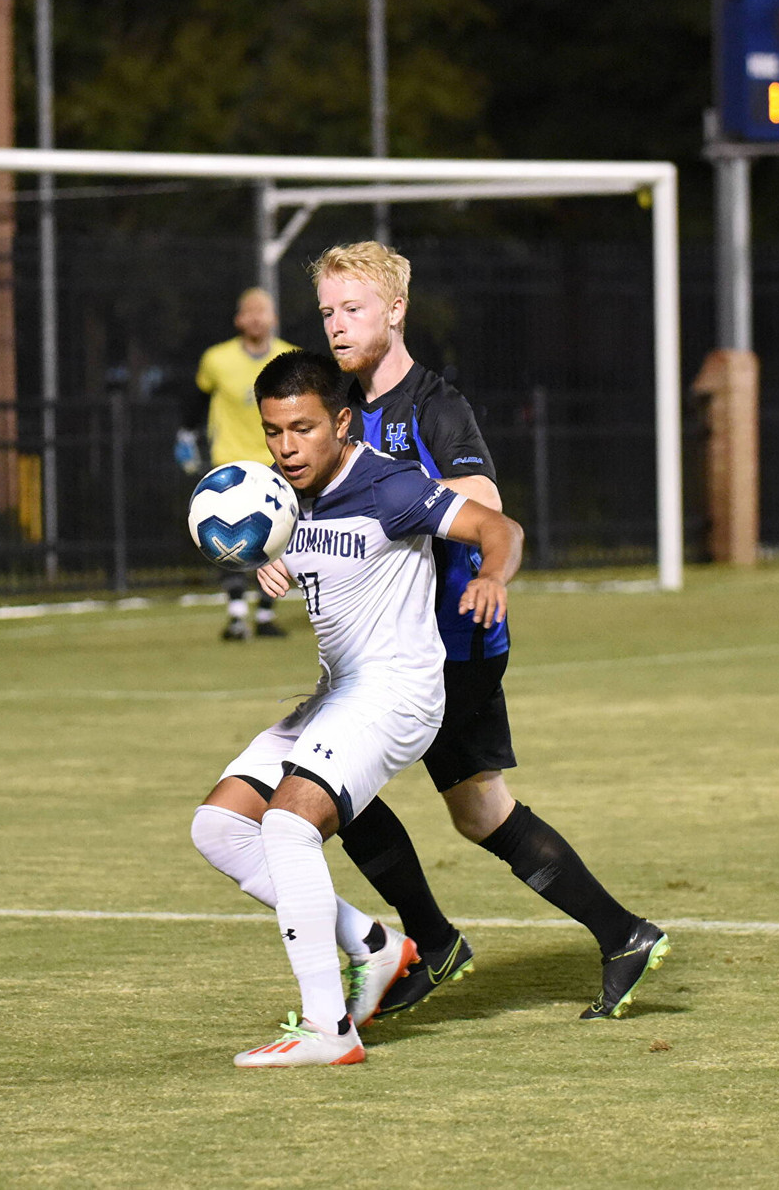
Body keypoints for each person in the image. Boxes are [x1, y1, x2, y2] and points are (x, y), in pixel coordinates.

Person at [260, 241, 667, 1022]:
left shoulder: (433, 406)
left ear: (396, 310)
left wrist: (469, 559)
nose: (338, 327)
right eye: (327, 312)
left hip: (450, 643)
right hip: (394, 649)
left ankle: (439, 943)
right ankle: (619, 934)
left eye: (354, 309)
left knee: (325, 786)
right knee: (478, 809)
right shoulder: (339, 403)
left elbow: (481, 502)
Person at [191, 350, 525, 1067]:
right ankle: (374, 944)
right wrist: (265, 558)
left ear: (341, 421)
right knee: (218, 826)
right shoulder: (280, 494)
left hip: (399, 691)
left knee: (287, 824)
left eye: (303, 429)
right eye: (274, 431)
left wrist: (493, 574)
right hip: (338, 692)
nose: (286, 447)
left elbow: (501, 528)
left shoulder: (392, 484)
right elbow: (296, 547)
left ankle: (327, 1030)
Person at [179, 287, 296, 639]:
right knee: (223, 534)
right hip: (229, 463)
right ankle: (235, 613)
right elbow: (198, 402)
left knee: (278, 539)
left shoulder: (289, 357)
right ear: (239, 319)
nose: (257, 318)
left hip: (276, 462)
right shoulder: (216, 359)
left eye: (264, 311)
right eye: (250, 311)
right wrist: (185, 437)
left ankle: (264, 614)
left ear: (274, 318)